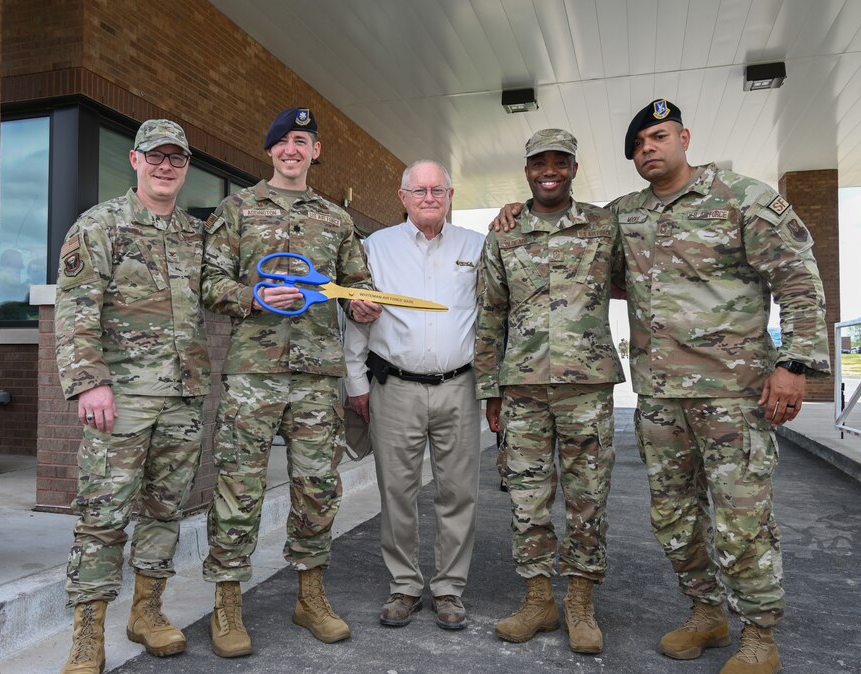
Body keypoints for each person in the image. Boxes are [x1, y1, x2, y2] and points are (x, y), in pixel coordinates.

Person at [493, 100, 830, 674]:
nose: (649, 149)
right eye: (639, 145)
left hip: (734, 392)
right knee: (672, 515)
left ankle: (759, 636)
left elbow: (798, 278)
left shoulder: (743, 198)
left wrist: (794, 364)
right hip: (659, 395)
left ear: (684, 138)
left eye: (659, 136)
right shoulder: (624, 215)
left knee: (742, 517)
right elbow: (574, 246)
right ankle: (705, 612)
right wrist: (518, 212)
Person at [200, 107, 380, 658]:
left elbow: (357, 282)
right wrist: (251, 296)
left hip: (316, 375)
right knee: (238, 487)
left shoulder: (336, 219)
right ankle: (228, 603)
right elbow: (209, 279)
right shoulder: (236, 209)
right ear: (270, 151)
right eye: (282, 142)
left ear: (315, 150)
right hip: (253, 373)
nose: (292, 150)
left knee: (317, 487)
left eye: (302, 141)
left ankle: (311, 596)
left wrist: (364, 305)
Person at [54, 119, 210, 673]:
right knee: (102, 514)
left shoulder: (196, 235)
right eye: (156, 156)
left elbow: (225, 292)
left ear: (185, 167)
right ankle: (87, 634)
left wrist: (282, 290)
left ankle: (146, 612)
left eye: (177, 158)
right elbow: (76, 309)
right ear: (136, 161)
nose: (167, 166)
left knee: (165, 510)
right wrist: (89, 382)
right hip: (121, 397)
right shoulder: (101, 225)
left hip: (184, 397)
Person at [474, 129, 624, 654]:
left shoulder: (606, 225)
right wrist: (489, 389)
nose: (550, 171)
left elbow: (634, 279)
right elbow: (490, 315)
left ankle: (580, 602)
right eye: (540, 163)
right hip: (522, 389)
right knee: (527, 497)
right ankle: (538, 598)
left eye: (561, 162)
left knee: (588, 497)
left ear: (575, 169)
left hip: (586, 385)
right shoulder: (503, 237)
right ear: (527, 170)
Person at [343, 160, 485, 631]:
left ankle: (449, 591)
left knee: (458, 493)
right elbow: (358, 315)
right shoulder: (375, 248)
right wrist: (356, 384)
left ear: (450, 195)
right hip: (395, 387)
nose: (429, 197)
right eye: (418, 190)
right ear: (402, 197)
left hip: (459, 387)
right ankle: (404, 586)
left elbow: (492, 317)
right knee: (397, 492)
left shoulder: (477, 248)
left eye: (437, 190)